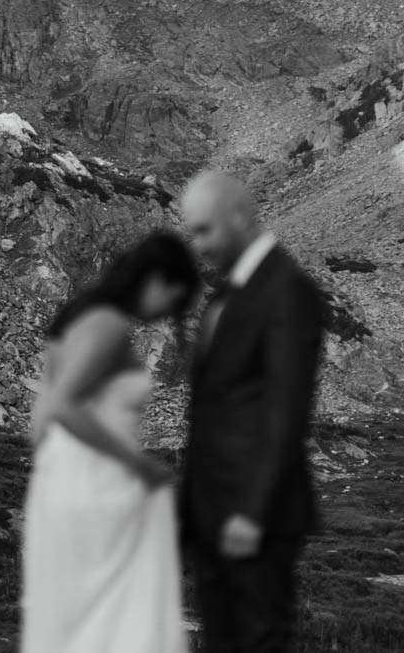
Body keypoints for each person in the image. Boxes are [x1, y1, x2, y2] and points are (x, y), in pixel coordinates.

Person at [20, 231, 200, 653]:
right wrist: (135, 464)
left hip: (72, 477)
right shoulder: (105, 323)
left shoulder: (82, 316)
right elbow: (59, 408)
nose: (166, 314)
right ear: (156, 280)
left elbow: (44, 416)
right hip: (93, 483)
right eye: (173, 299)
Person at [180, 171, 325, 653]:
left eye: (205, 230)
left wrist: (251, 513)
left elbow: (287, 408)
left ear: (239, 217)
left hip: (253, 516)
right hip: (213, 514)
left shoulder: (287, 289)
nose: (198, 246)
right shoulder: (229, 292)